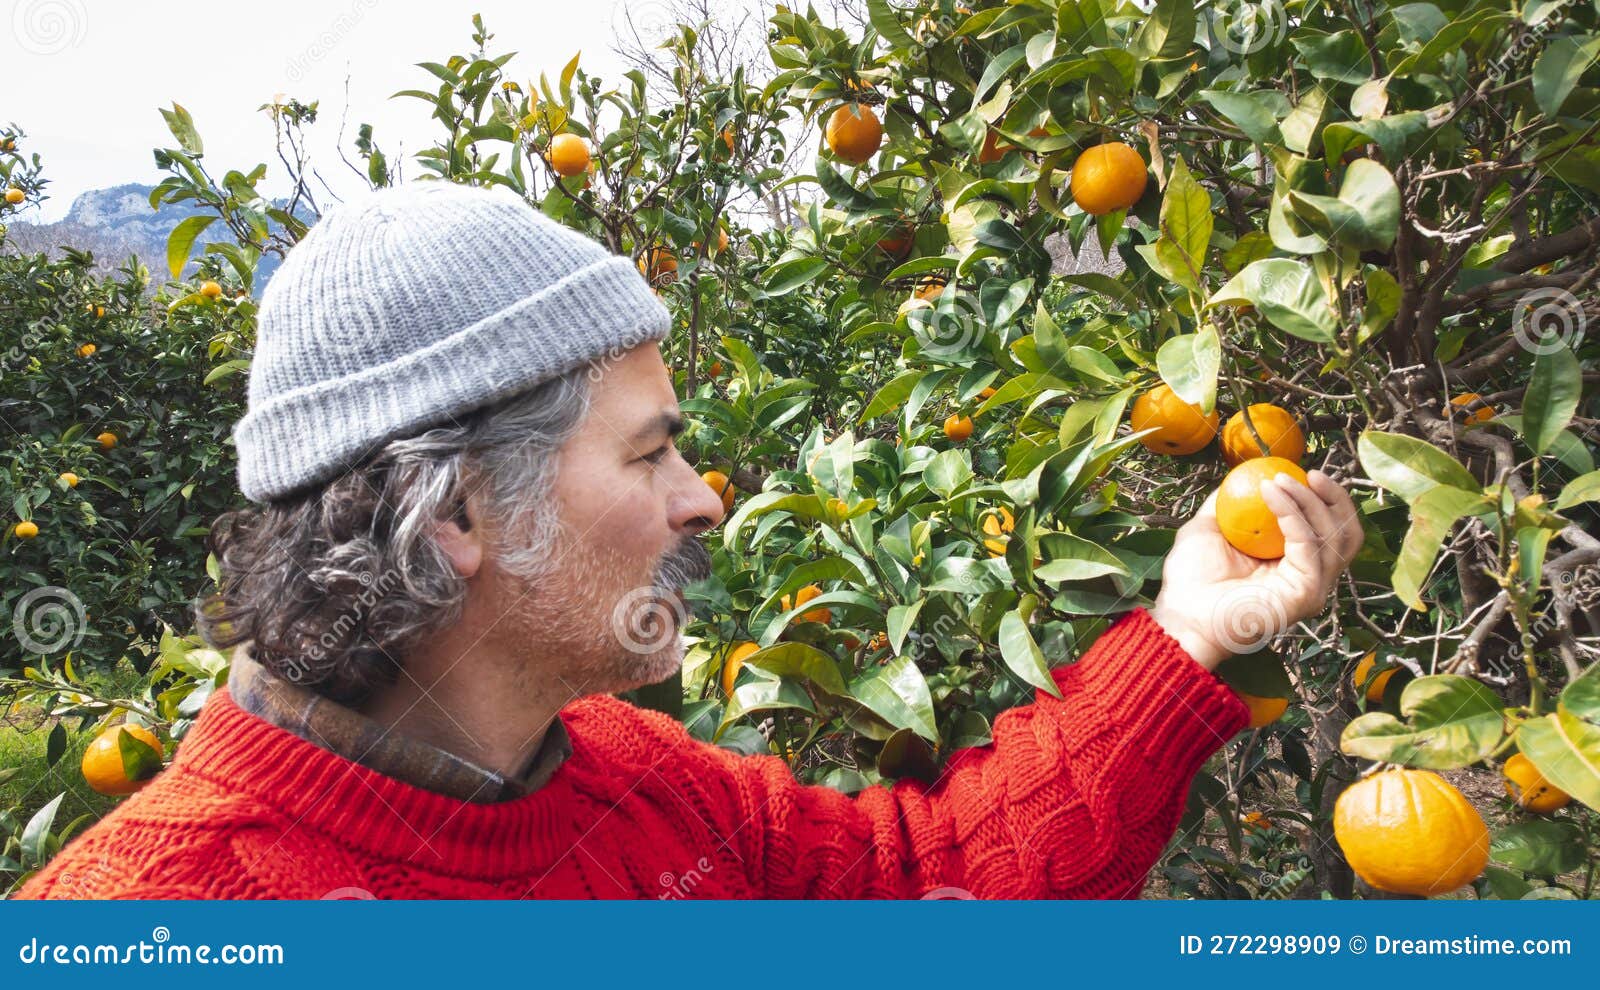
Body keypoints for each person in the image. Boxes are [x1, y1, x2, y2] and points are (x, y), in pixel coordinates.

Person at [16, 182, 1361, 900]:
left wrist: (1195, 631)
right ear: (460, 514)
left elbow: (927, 887)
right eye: (652, 448)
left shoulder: (632, 781)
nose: (705, 498)